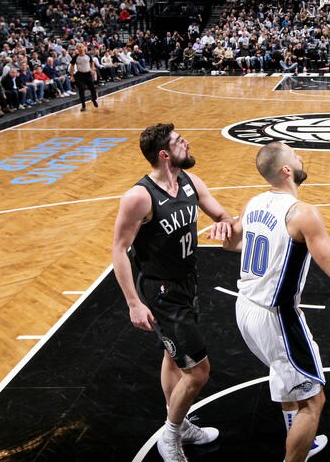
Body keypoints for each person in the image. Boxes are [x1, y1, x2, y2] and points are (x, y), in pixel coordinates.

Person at [222, 141, 330, 462]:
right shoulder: (303, 214)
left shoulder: (254, 202)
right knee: (314, 402)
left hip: (244, 306)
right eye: (295, 155)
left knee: (285, 375)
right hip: (277, 318)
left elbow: (233, 242)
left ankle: (305, 441)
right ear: (287, 170)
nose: (301, 157)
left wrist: (225, 230)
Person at [111, 123, 234, 462]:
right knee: (198, 371)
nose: (188, 143)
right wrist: (133, 303)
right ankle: (170, 435)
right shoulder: (140, 196)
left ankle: (179, 423)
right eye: (181, 141)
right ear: (164, 154)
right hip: (161, 291)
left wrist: (225, 223)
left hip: (187, 281)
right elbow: (118, 250)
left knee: (172, 356)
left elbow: (224, 216)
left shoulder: (190, 182)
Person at [70, 43, 98, 111]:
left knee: (92, 89)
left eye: (81, 47)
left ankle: (93, 99)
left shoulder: (88, 55)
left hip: (88, 74)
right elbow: (72, 66)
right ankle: (83, 105)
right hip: (80, 75)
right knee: (81, 90)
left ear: (84, 48)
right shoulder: (76, 57)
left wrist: (93, 69)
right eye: (79, 47)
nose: (80, 48)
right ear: (77, 49)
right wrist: (72, 76)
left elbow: (92, 62)